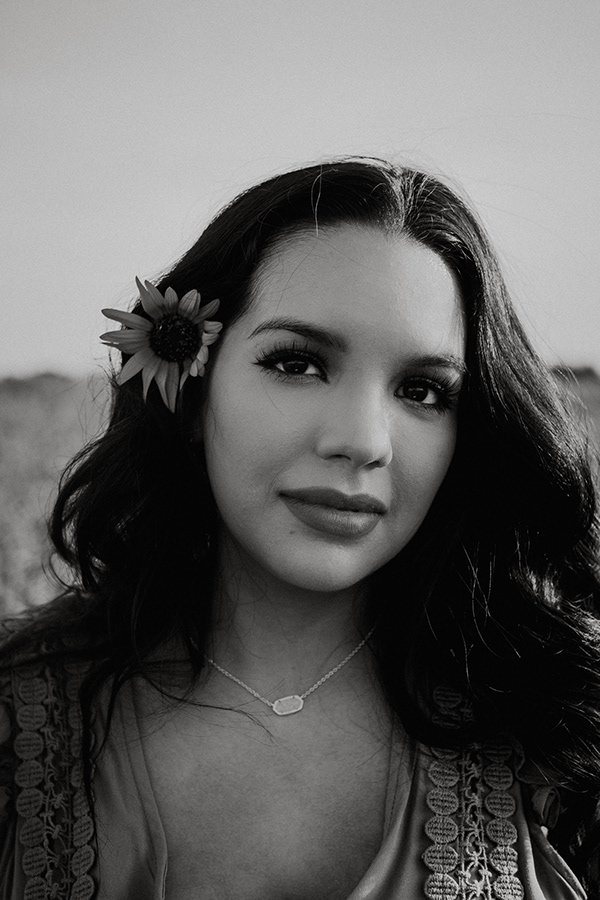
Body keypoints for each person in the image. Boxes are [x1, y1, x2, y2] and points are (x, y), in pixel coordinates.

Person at [0, 158, 599, 900]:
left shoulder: (561, 734)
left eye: (422, 390)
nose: (363, 440)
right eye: (297, 362)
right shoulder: (14, 720)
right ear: (188, 386)